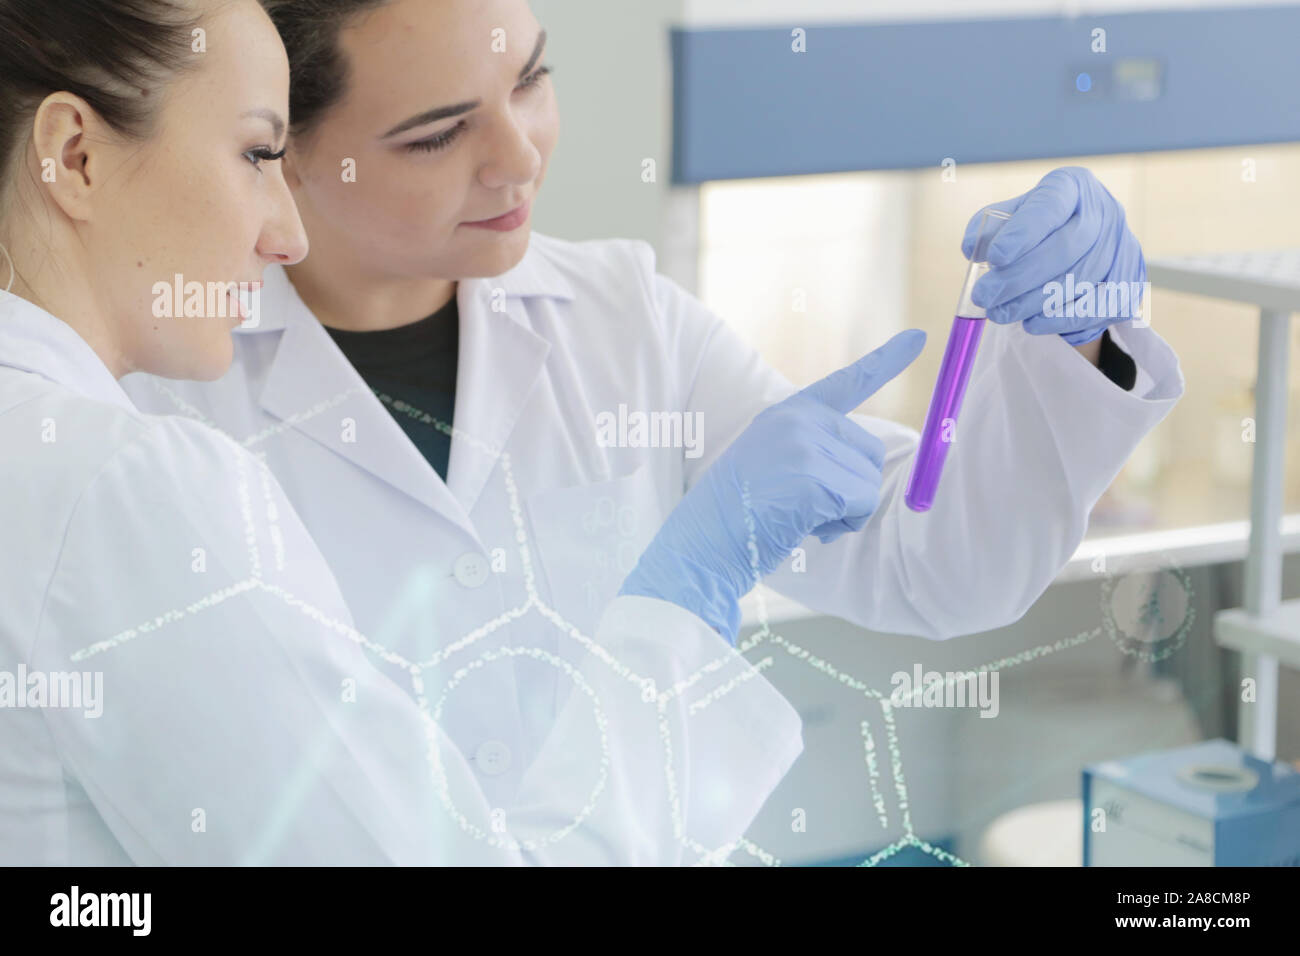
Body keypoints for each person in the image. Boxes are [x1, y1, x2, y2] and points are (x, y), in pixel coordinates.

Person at [123, 0, 1185, 811]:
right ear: (289, 152)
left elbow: (938, 563)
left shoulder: (622, 316)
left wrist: (1075, 331)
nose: (520, 154)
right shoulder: (162, 385)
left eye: (531, 81)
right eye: (438, 134)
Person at [0, 0, 810, 866]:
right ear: (75, 156)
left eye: (531, 79)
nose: (286, 232)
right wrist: (675, 621)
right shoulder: (127, 485)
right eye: (257, 156)